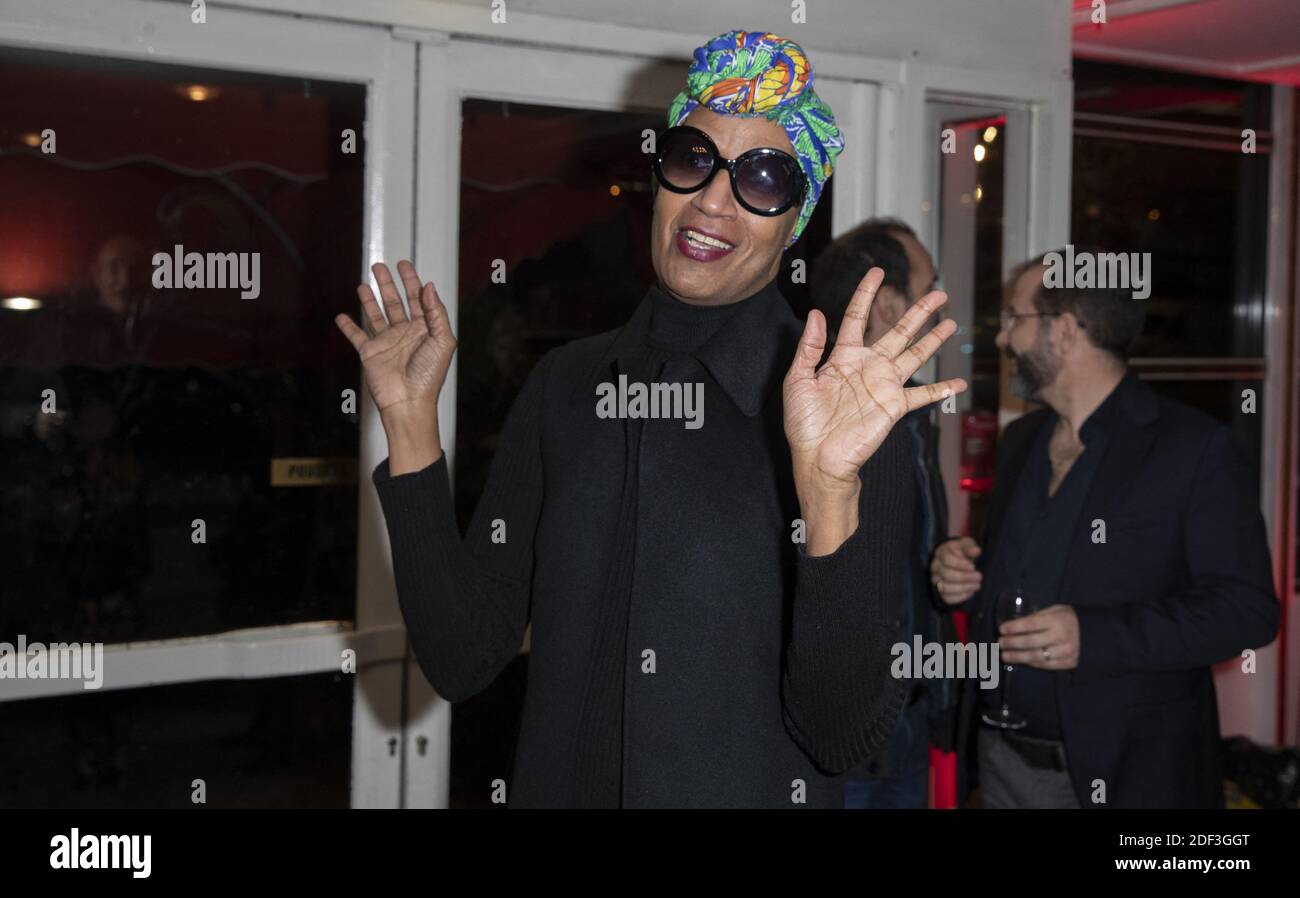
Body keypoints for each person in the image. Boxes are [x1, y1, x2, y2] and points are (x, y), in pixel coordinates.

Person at [336, 30, 966, 808]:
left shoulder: (844, 415)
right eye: (692, 158)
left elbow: (845, 739)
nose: (712, 199)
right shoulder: (567, 384)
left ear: (793, 220)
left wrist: (829, 492)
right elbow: (462, 657)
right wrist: (408, 425)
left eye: (762, 179)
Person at [931, 251, 1280, 808]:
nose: (1002, 341)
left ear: (1065, 331)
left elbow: (1247, 611)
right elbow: (1013, 566)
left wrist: (1095, 634)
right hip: (1000, 760)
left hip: (1124, 775)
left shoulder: (1193, 449)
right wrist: (958, 568)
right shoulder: (1021, 439)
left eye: (1015, 319)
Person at [812, 223, 954, 808]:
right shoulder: (805, 408)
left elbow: (911, 560)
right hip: (844, 723)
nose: (939, 302)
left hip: (910, 707)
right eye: (930, 287)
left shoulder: (914, 411)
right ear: (892, 302)